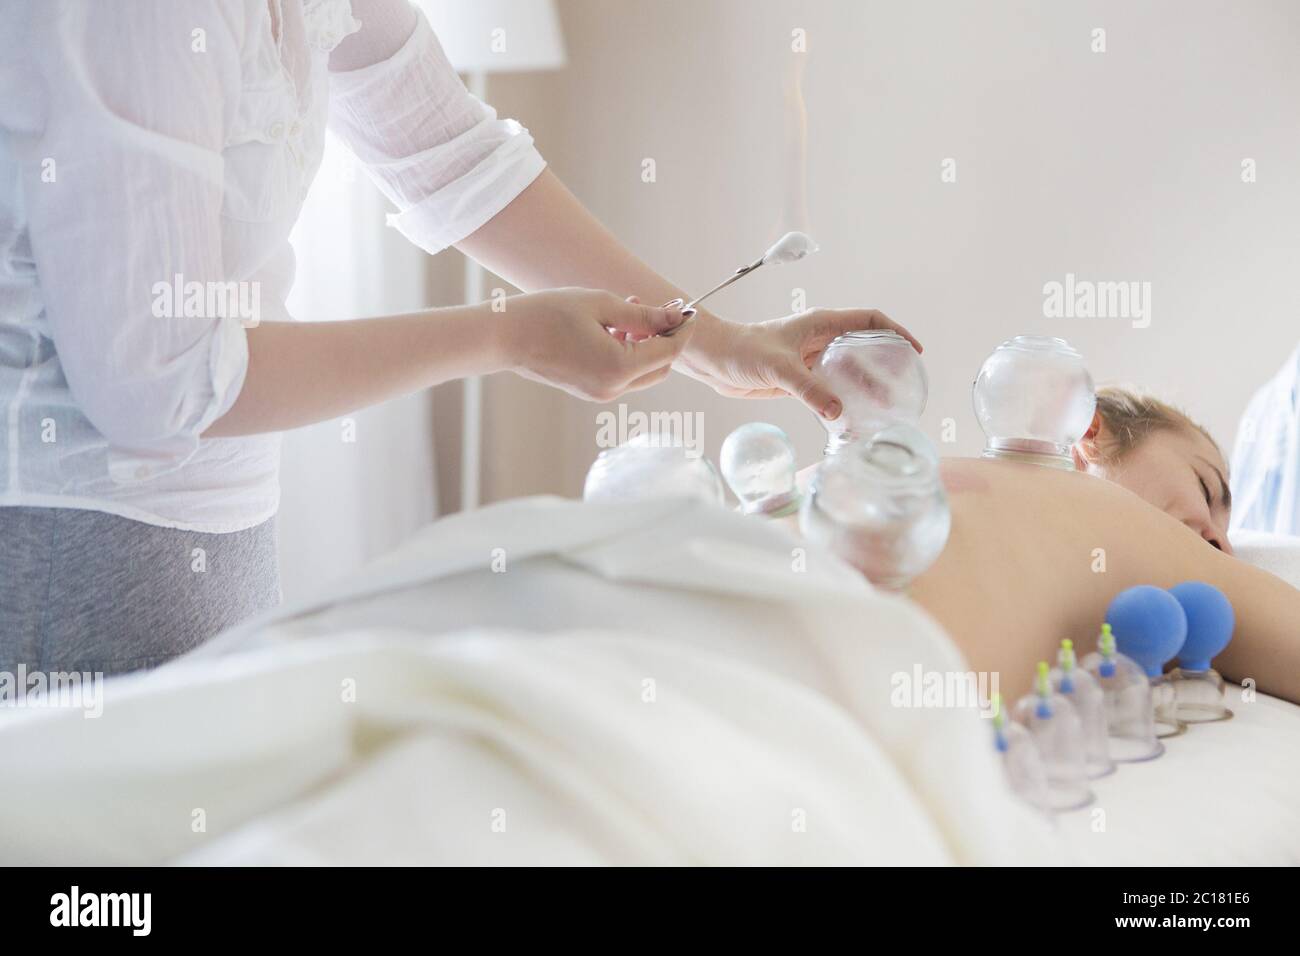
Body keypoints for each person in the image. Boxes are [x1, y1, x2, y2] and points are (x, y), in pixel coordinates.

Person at [0, 0, 916, 673]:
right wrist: (506, 336)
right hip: (69, 546)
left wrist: (718, 343)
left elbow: (451, 155)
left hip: (220, 530)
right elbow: (155, 385)